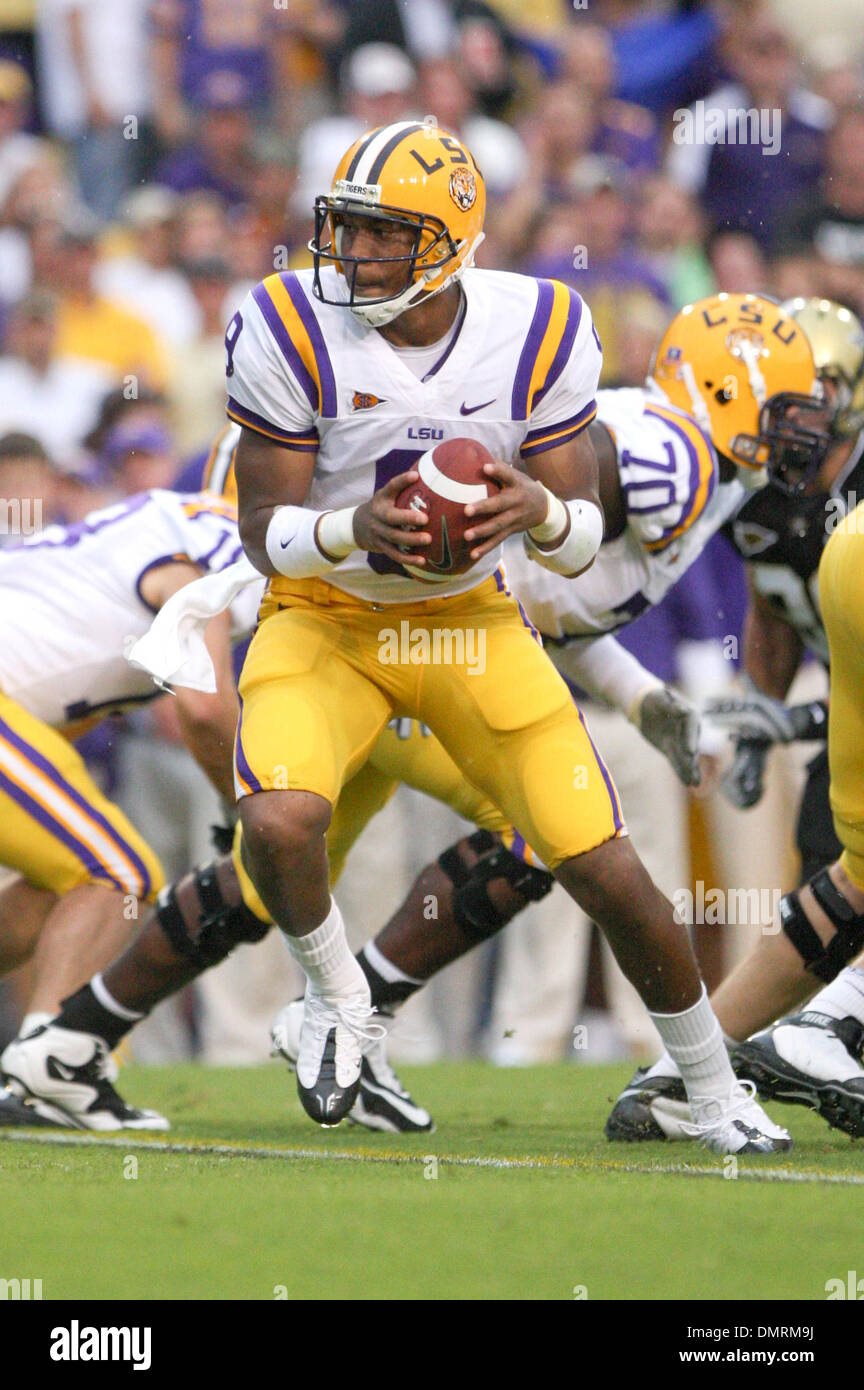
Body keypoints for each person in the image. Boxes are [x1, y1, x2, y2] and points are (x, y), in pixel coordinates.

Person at [4, 121, 814, 1155]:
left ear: (454, 241)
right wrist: (358, 529)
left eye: (386, 236)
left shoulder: (540, 326)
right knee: (280, 827)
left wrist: (533, 513)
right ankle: (342, 1003)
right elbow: (263, 535)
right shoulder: (290, 325)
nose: (356, 254)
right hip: (325, 617)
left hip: (471, 623)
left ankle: (709, 1086)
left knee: (600, 862)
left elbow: (571, 555)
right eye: (347, 228)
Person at [605, 297, 864, 1142]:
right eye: (788, 396)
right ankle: (827, 1030)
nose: (798, 417)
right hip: (847, 653)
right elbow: (771, 605)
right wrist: (765, 703)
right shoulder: (764, 491)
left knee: (849, 883)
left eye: (813, 395)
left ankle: (682, 1072)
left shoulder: (761, 479)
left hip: (845, 652)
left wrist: (788, 720)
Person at [0, 486, 255, 1128]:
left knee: (58, 884)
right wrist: (252, 810)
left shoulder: (157, 520)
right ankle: (55, 1072)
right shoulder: (217, 545)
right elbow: (204, 706)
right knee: (119, 875)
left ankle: (46, 1068)